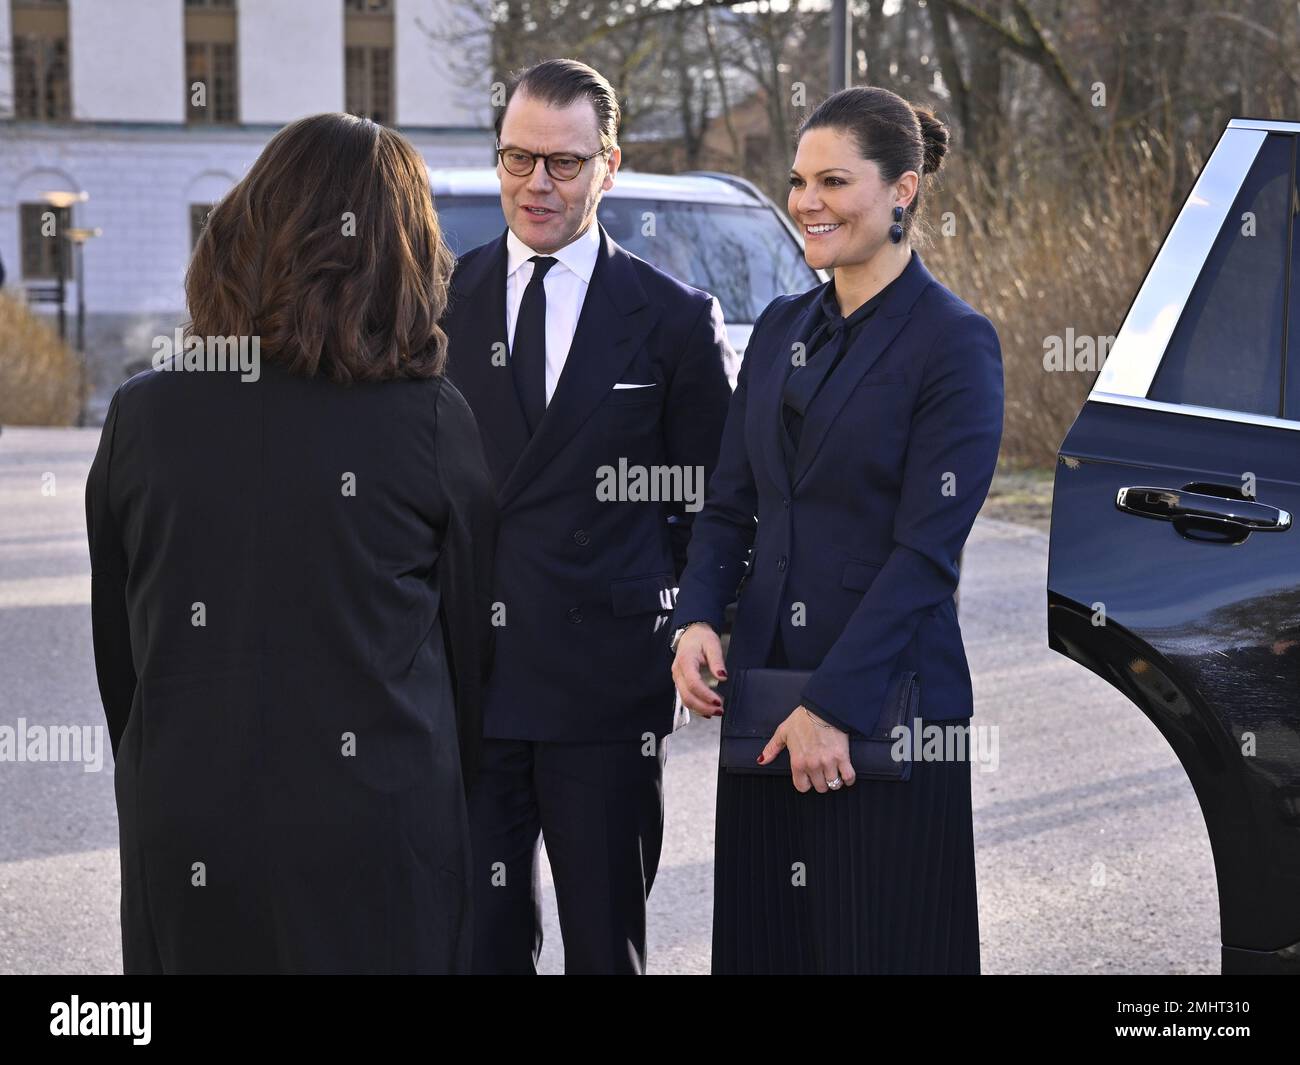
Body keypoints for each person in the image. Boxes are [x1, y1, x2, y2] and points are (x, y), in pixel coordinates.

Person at [85, 112, 497, 974]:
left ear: (245, 226)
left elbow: (123, 656)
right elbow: (469, 650)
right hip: (380, 823)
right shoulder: (429, 420)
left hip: (192, 814)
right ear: (403, 254)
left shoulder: (144, 415)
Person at [670, 86, 1004, 974]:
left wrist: (834, 708)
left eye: (833, 181)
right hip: (769, 710)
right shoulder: (781, 328)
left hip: (887, 713)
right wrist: (699, 616)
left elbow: (926, 556)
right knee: (768, 950)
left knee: (882, 950)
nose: (807, 202)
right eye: (797, 181)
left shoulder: (955, 342)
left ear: (903, 191)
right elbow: (730, 502)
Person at [442, 58, 732, 974]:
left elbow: (713, 505)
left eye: (563, 163)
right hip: (468, 687)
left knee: (607, 947)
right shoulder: (438, 306)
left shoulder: (676, 320)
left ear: (610, 165)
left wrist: (699, 618)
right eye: (518, 158)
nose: (537, 183)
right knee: (480, 949)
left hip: (604, 691)